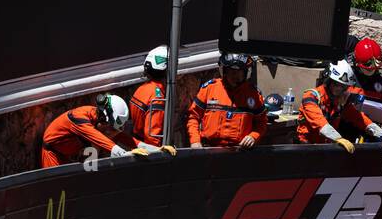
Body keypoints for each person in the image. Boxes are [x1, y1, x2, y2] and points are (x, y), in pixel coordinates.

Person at [41, 94, 171, 167]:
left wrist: (157, 150)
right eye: (110, 128)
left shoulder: (102, 122)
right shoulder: (78, 119)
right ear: (103, 119)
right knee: (57, 194)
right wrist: (123, 154)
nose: (110, 132)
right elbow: (100, 139)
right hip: (53, 155)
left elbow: (130, 140)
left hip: (69, 153)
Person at [299, 60, 382, 152]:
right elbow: (318, 121)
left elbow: (360, 119)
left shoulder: (340, 102)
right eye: (337, 85)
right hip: (306, 148)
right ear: (329, 81)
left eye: (344, 87)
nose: (340, 89)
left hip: (327, 148)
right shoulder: (311, 96)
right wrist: (338, 138)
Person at [187, 52, 267, 149]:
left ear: (246, 73)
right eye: (231, 71)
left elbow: (261, 123)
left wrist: (253, 136)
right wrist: (195, 141)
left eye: (239, 72)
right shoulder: (209, 88)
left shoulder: (254, 95)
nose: (235, 75)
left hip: (240, 152)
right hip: (209, 149)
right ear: (224, 71)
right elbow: (193, 117)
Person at [129, 45, 170, 146]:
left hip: (138, 144)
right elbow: (152, 135)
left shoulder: (141, 89)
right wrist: (158, 154)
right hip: (148, 150)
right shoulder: (157, 97)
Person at [348, 37, 382, 128]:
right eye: (367, 68)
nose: (371, 70)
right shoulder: (347, 77)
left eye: (374, 68)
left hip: (371, 130)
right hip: (346, 127)